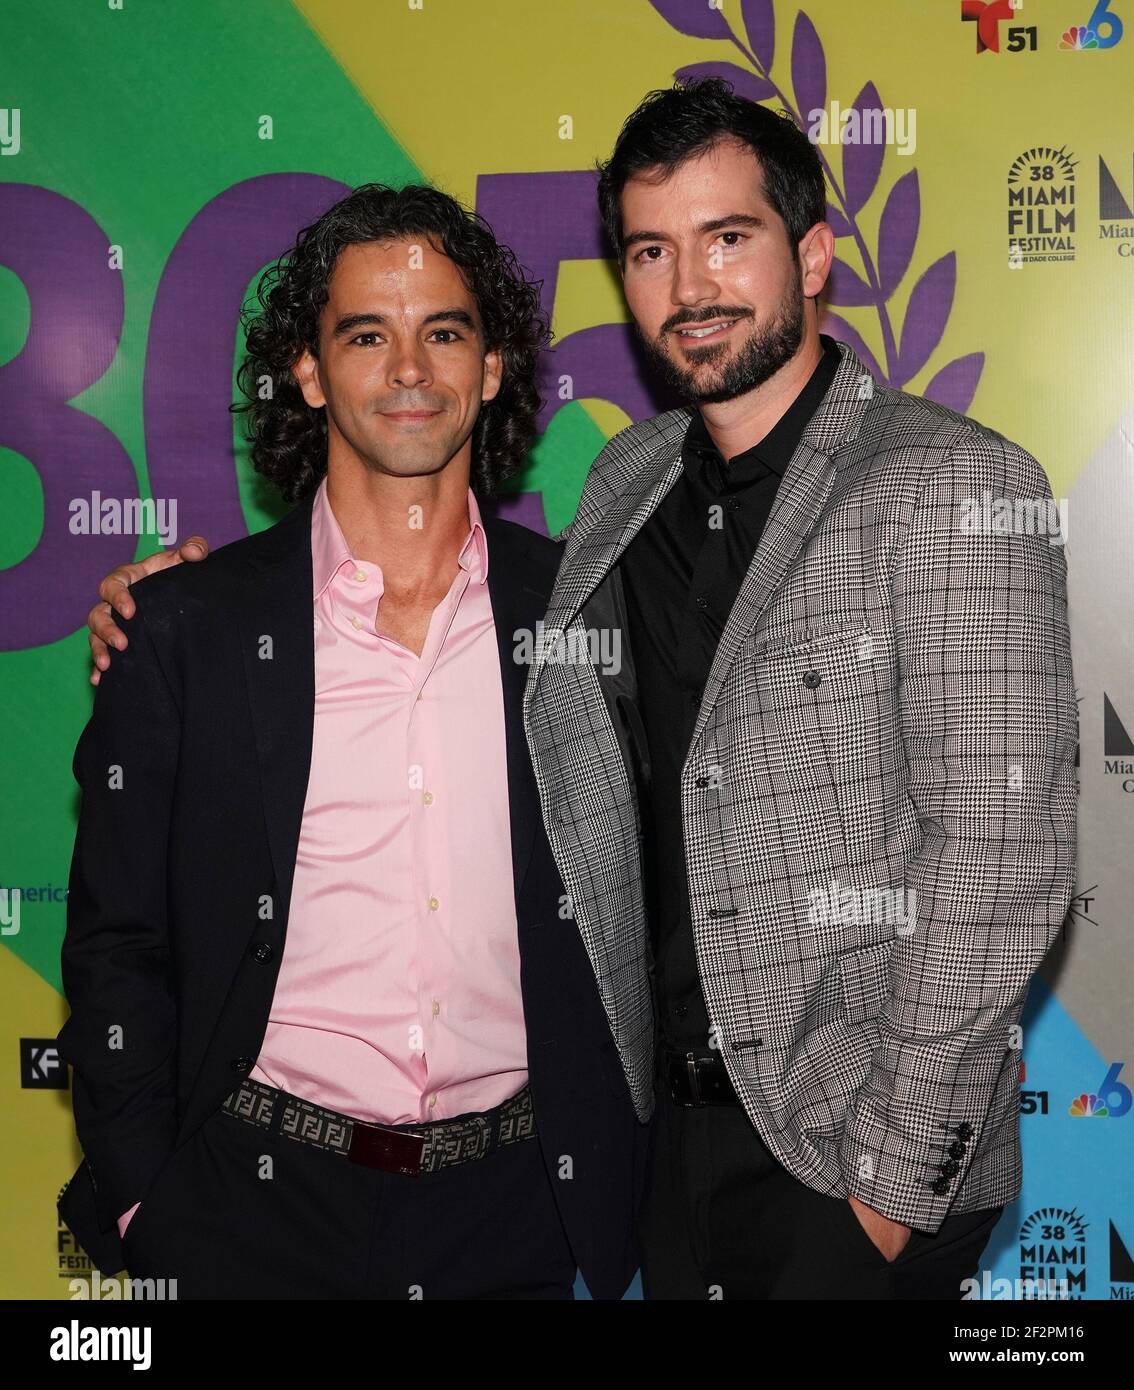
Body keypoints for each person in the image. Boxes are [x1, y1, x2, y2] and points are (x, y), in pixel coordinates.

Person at [520, 78, 1077, 1298]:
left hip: (846, 1164)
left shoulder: (950, 485)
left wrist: (883, 1188)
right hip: (668, 1144)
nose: (690, 287)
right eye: (651, 252)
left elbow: (1001, 857)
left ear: (814, 253)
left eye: (729, 239)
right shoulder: (625, 484)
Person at [57, 182, 645, 1300]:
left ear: (493, 368)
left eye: (446, 333)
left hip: (517, 1215)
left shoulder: (589, 615)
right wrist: (147, 1201)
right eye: (367, 335)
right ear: (313, 372)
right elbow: (117, 943)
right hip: (249, 1209)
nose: (411, 370)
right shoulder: (188, 629)